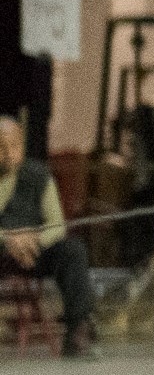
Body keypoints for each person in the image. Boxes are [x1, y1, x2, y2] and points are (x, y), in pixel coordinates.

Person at [0, 116, 96, 358]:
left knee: (73, 250)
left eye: (13, 146)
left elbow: (57, 225)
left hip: (34, 252)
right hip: (1, 250)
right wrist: (9, 239)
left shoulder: (38, 176)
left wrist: (34, 240)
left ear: (22, 147)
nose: (8, 153)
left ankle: (78, 330)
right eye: (0, 148)